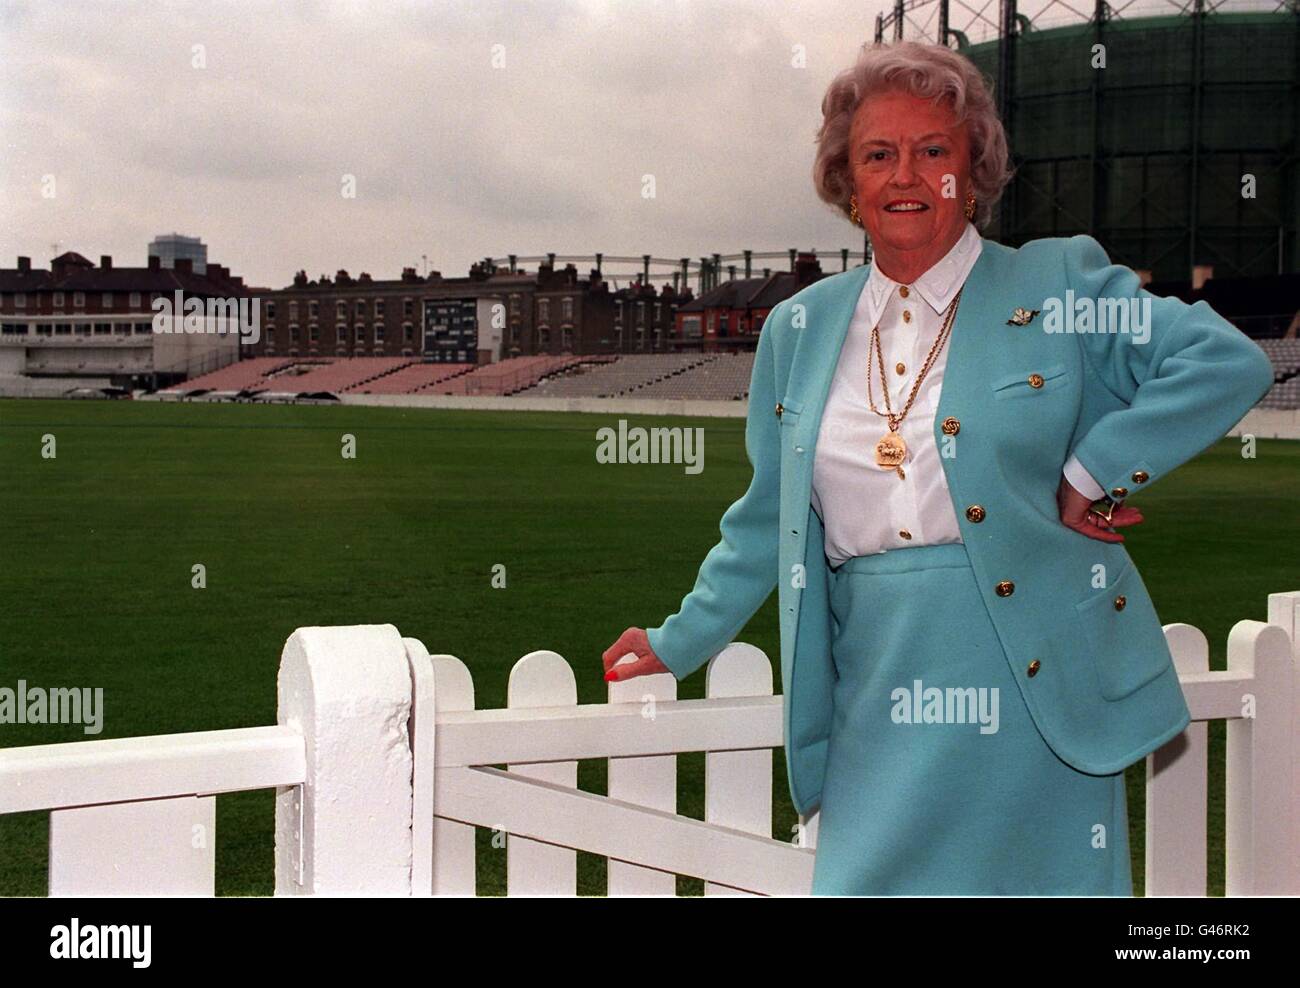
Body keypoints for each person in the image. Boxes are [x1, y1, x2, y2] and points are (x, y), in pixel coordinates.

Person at [601, 39, 1275, 895]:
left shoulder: (1057, 279)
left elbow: (1225, 361)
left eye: (934, 151)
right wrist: (678, 639)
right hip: (874, 688)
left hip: (1039, 690)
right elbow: (768, 515)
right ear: (848, 182)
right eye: (878, 154)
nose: (907, 175)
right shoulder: (798, 329)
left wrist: (1090, 474)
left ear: (974, 169)